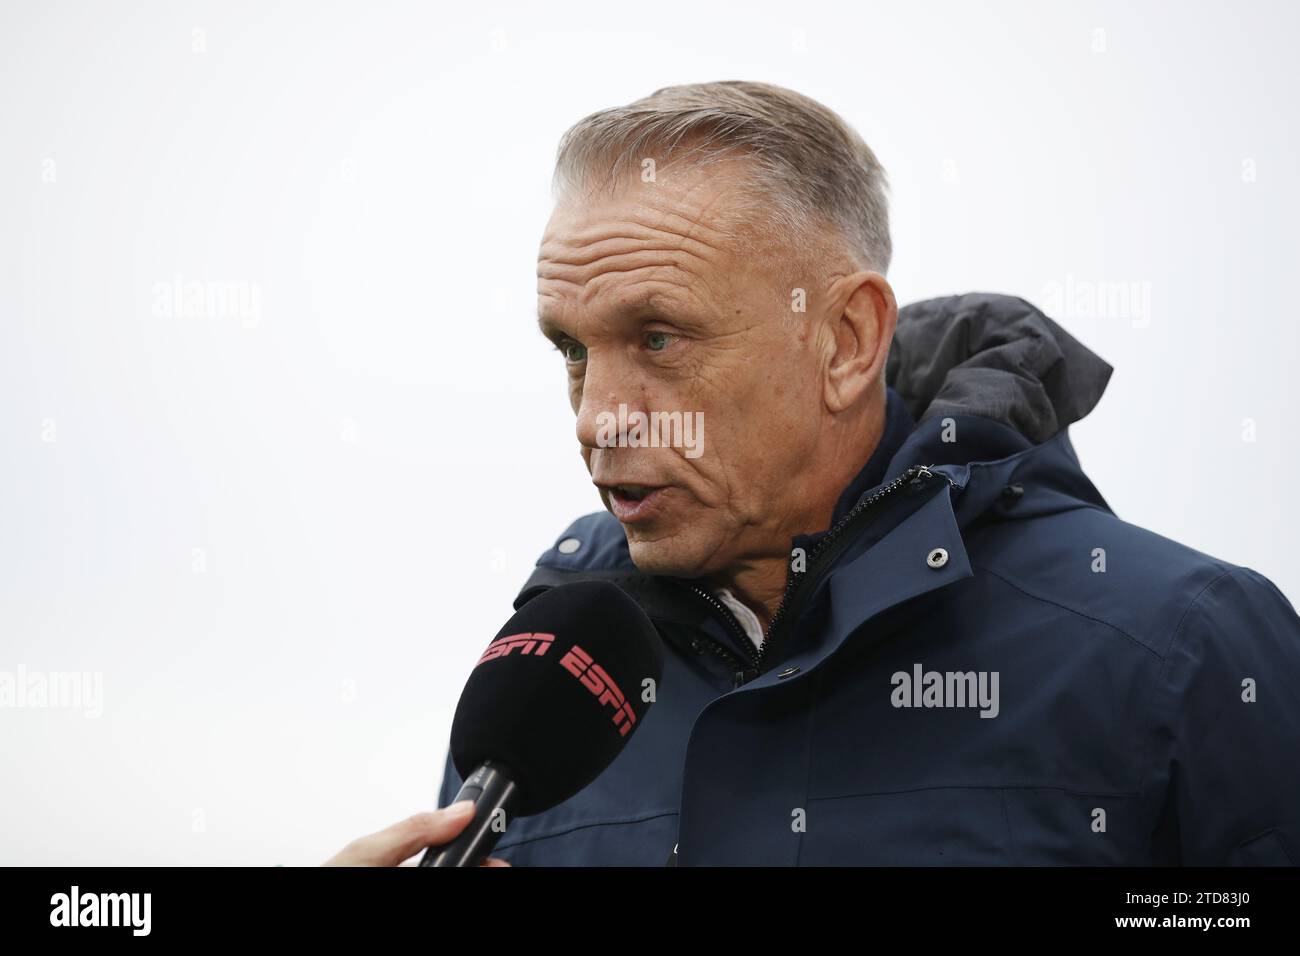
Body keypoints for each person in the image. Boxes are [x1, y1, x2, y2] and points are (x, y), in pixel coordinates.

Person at [338, 81, 1300, 866]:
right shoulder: (552, 682)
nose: (598, 419)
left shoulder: (1187, 647)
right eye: (573, 352)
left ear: (845, 341)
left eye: (660, 337)